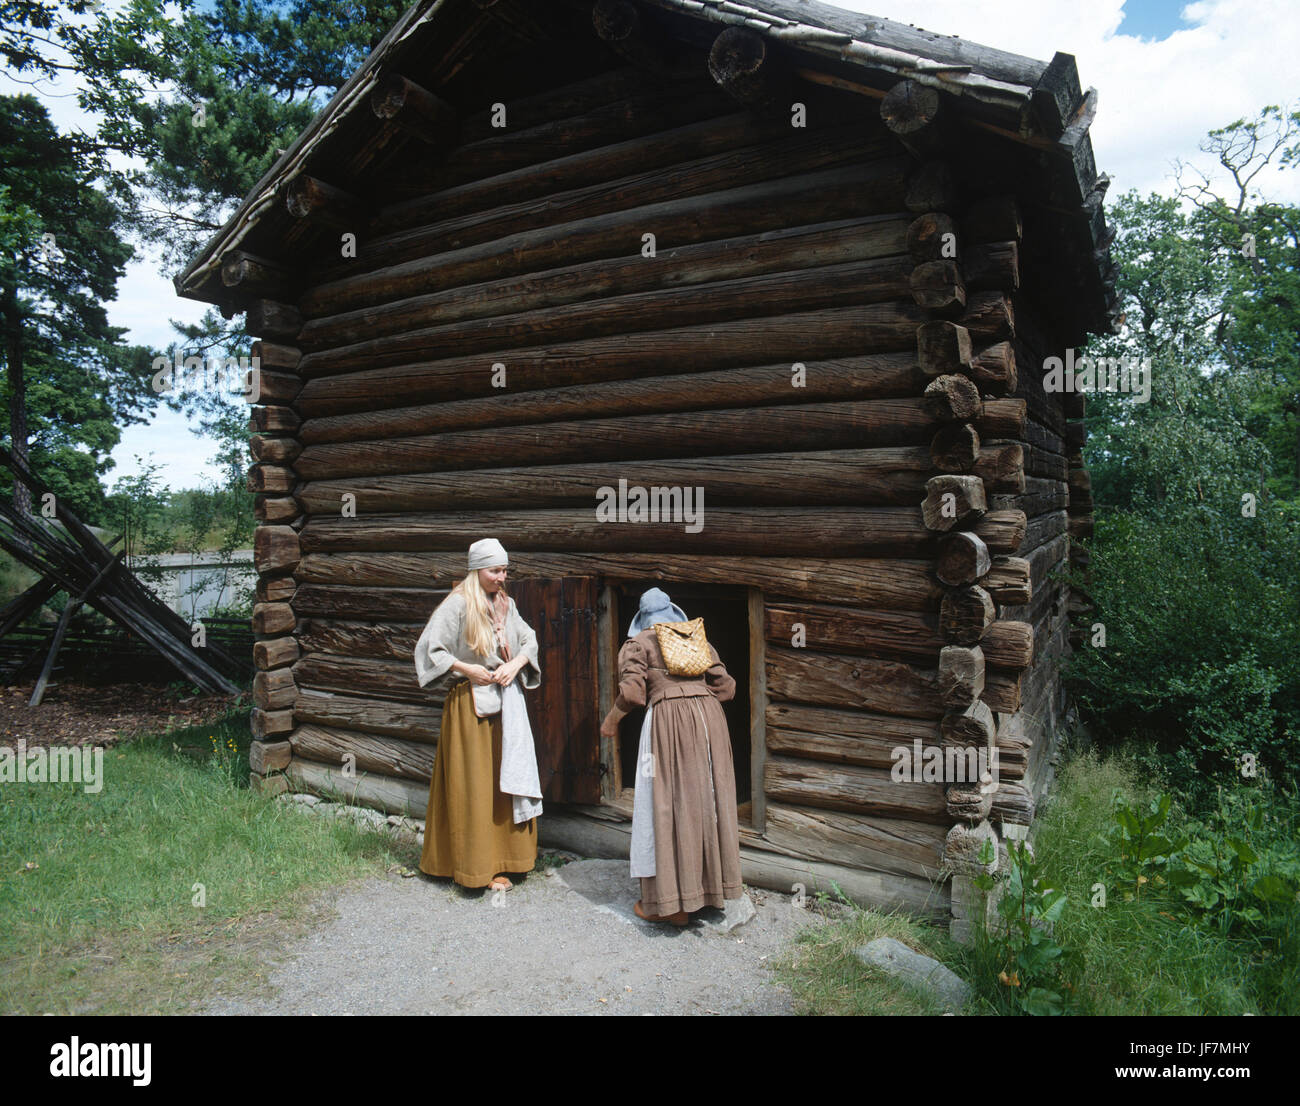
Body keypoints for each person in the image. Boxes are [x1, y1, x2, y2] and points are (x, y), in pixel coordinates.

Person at [599, 588, 744, 925]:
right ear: (674, 615)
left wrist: (610, 722)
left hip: (667, 722)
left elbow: (633, 693)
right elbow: (727, 688)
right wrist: (695, 698)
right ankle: (710, 892)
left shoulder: (639, 643)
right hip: (711, 722)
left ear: (642, 621)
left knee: (664, 802)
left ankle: (670, 905)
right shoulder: (698, 640)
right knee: (706, 799)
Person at [413, 538, 542, 891]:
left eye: (505, 570)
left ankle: (508, 859)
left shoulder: (506, 604)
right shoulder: (456, 604)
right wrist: (469, 670)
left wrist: (515, 664)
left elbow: (529, 640)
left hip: (506, 707)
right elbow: (429, 649)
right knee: (475, 786)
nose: (502, 577)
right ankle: (476, 865)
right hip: (469, 708)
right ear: (477, 570)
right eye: (495, 570)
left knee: (505, 781)